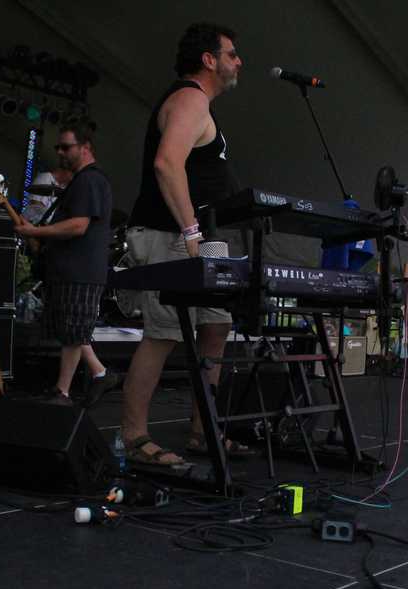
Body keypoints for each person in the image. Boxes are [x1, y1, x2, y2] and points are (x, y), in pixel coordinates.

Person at [120, 22, 255, 467]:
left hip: (203, 237)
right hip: (172, 233)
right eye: (231, 54)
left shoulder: (201, 105)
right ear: (209, 59)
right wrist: (191, 231)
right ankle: (135, 439)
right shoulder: (189, 98)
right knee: (163, 333)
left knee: (216, 327)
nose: (239, 61)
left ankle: (203, 430)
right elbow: (166, 163)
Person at [12, 119, 120, 406]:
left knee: (72, 334)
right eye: (58, 147)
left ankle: (62, 392)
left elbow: (78, 226)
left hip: (80, 270)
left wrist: (35, 231)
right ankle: (99, 374)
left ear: (85, 148)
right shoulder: (79, 183)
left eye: (66, 147)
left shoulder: (90, 180)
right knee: (72, 330)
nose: (60, 152)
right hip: (68, 269)